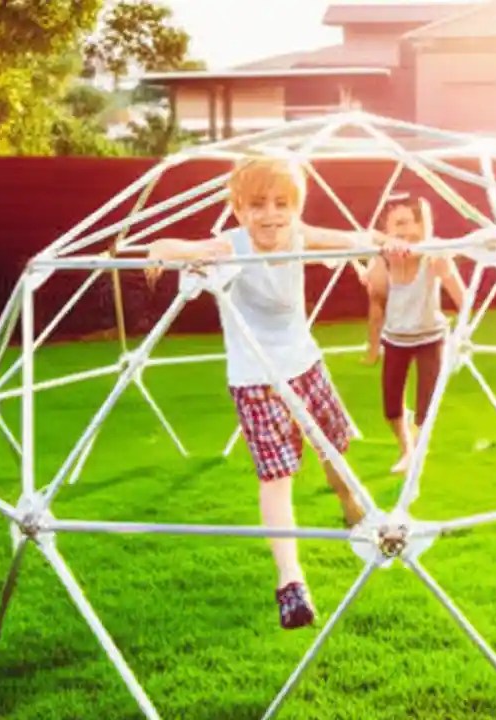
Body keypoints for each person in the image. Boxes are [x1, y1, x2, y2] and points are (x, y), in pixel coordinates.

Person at [143, 155, 409, 630]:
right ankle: (290, 581)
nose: (270, 214)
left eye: (282, 203)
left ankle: (349, 505)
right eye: (257, 204)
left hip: (305, 364)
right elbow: (184, 247)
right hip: (256, 379)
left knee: (334, 449)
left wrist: (381, 243)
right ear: (238, 209)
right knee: (276, 476)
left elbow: (348, 238)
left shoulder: (298, 234)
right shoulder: (232, 244)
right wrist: (160, 249)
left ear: (296, 207)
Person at [363, 193, 467, 474]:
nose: (405, 231)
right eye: (397, 224)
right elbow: (377, 304)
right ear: (387, 229)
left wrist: (463, 334)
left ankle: (417, 453)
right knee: (391, 408)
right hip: (396, 339)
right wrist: (372, 347)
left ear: (422, 226)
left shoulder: (433, 255)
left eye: (409, 222)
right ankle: (406, 448)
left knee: (426, 407)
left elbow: (463, 298)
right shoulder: (382, 260)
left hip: (431, 338)